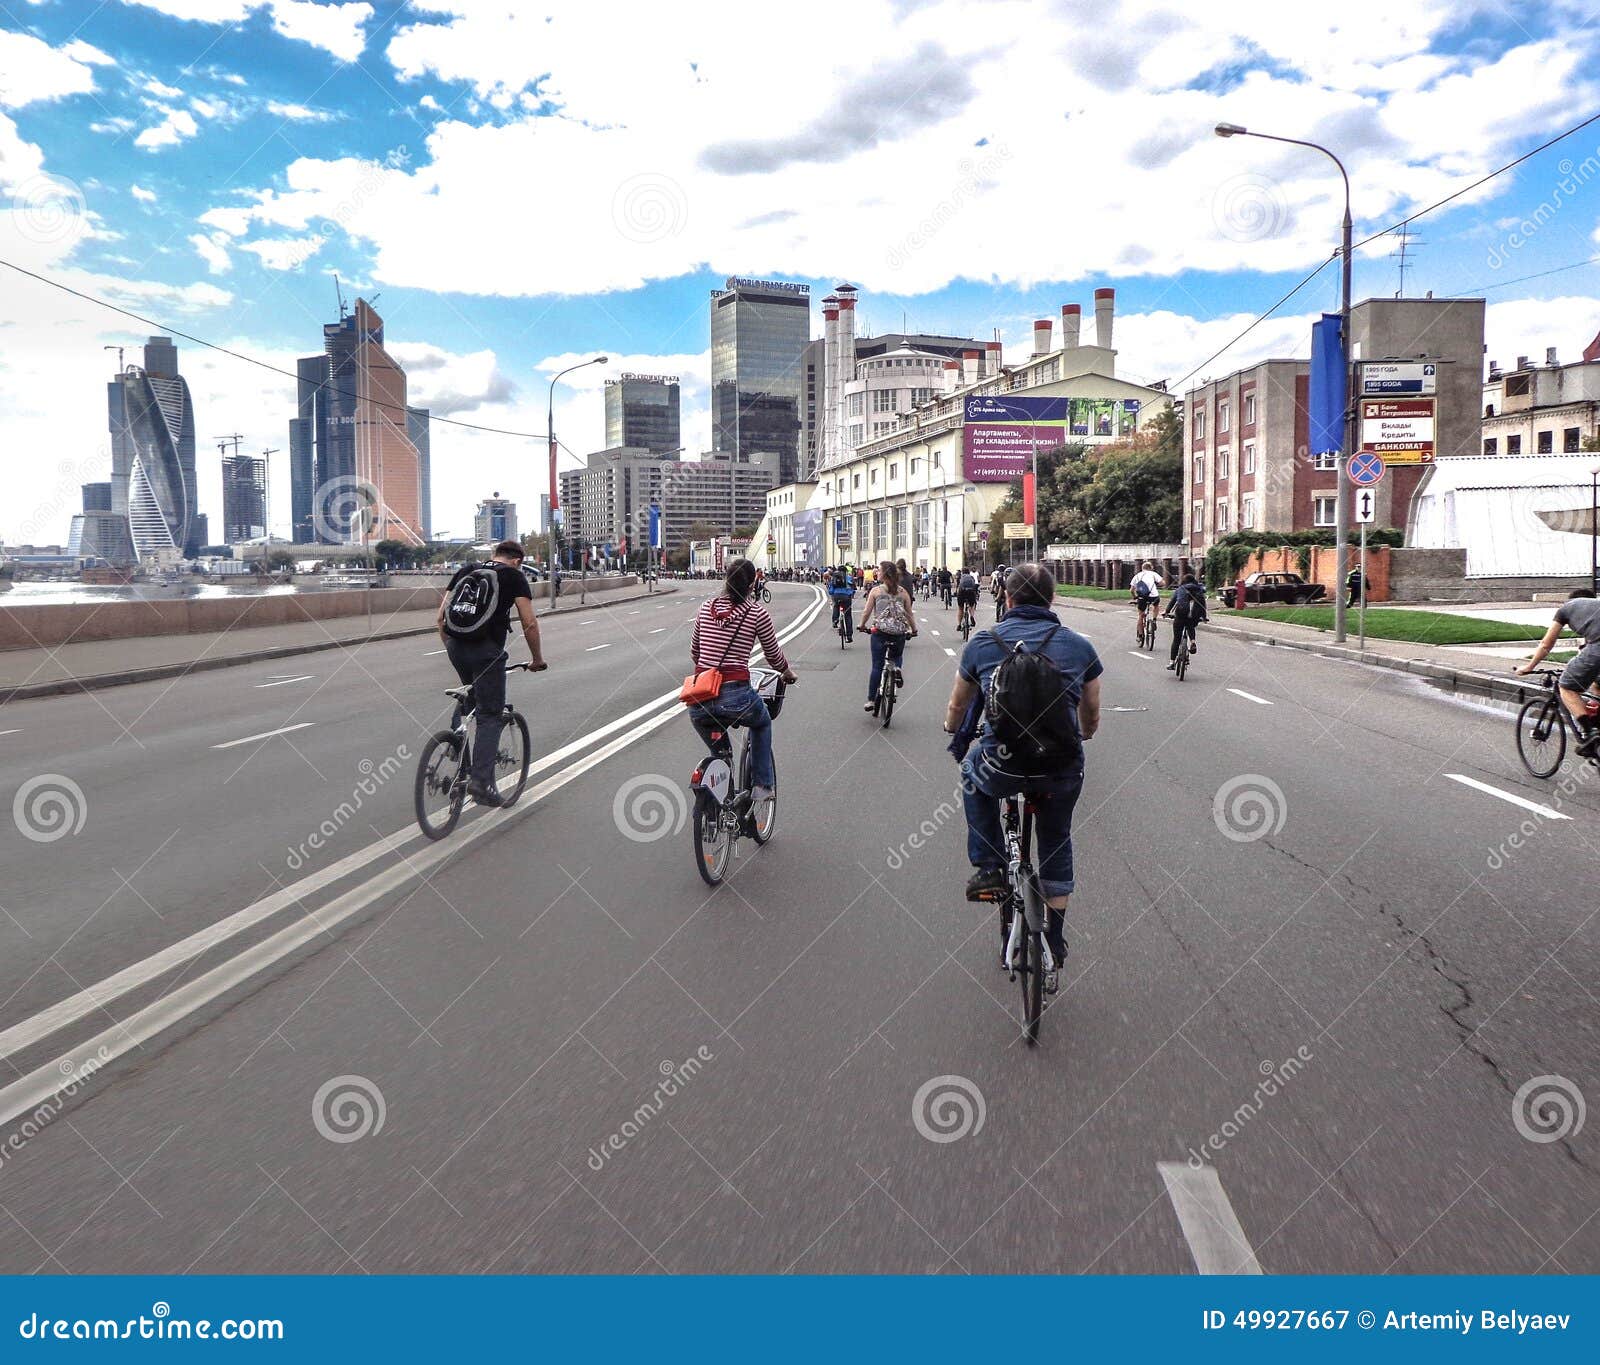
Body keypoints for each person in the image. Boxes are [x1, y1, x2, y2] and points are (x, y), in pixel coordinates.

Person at [943, 564, 1101, 991]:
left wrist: (951, 727)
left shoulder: (983, 643)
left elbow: (958, 707)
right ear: (1051, 600)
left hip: (1002, 763)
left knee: (973, 779)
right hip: (1059, 766)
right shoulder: (1078, 646)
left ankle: (991, 866)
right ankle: (1055, 937)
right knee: (1055, 839)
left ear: (1007, 599)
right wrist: (1084, 734)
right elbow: (1091, 714)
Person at [437, 540, 547, 807]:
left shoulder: (468, 570)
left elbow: (440, 617)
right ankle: (480, 783)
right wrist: (537, 658)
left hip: (455, 646)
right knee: (489, 714)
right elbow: (529, 622)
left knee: (471, 694)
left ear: (494, 555)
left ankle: (456, 741)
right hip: (487, 651)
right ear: (518, 560)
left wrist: (454, 648)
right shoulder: (514, 576)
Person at [687, 558, 797, 805]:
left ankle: (719, 802)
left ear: (726, 580)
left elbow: (695, 651)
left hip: (700, 700)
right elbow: (772, 654)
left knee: (720, 751)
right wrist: (787, 672)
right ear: (753, 584)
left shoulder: (706, 608)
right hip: (736, 697)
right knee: (762, 723)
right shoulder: (756, 612)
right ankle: (761, 785)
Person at [1517, 587, 1600, 757]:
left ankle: (1589, 732)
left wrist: (1529, 667)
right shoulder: (1595, 607)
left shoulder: (1565, 609)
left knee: (1567, 687)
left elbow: (1546, 644)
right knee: (1597, 685)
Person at [859, 559, 917, 712]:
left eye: (879, 570)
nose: (876, 572)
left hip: (880, 633)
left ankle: (871, 700)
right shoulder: (903, 592)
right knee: (896, 655)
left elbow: (867, 612)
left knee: (877, 666)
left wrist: (862, 625)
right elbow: (909, 614)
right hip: (898, 633)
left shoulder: (876, 591)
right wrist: (914, 630)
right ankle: (897, 668)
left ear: (884, 574)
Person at [1163, 572, 1208, 668]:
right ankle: (1192, 642)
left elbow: (1172, 602)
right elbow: (1202, 604)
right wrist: (1204, 617)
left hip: (1181, 613)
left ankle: (1172, 663)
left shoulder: (1180, 589)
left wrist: (1166, 612)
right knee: (1190, 625)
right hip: (1194, 614)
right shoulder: (1199, 589)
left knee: (1176, 639)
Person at [1130, 560, 1163, 642]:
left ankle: (1140, 635)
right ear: (1151, 568)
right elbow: (1163, 583)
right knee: (1156, 605)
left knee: (1141, 615)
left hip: (1142, 597)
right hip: (1153, 596)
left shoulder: (1137, 576)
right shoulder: (1153, 574)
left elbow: (1131, 590)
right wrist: (1156, 585)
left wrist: (1135, 597)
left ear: (1142, 568)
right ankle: (1154, 620)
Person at [827, 564, 857, 642]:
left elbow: (830, 590)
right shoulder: (849, 577)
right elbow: (853, 588)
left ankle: (835, 620)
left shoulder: (834, 577)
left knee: (836, 606)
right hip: (846, 597)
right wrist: (851, 592)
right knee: (848, 616)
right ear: (846, 571)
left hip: (836, 596)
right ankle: (849, 636)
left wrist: (833, 593)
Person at [955, 564, 981, 633]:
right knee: (971, 606)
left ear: (962, 572)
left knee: (960, 608)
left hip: (962, 592)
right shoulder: (971, 577)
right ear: (969, 572)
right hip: (970, 592)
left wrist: (956, 593)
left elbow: (958, 586)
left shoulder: (960, 577)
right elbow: (975, 585)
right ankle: (971, 616)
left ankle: (959, 625)